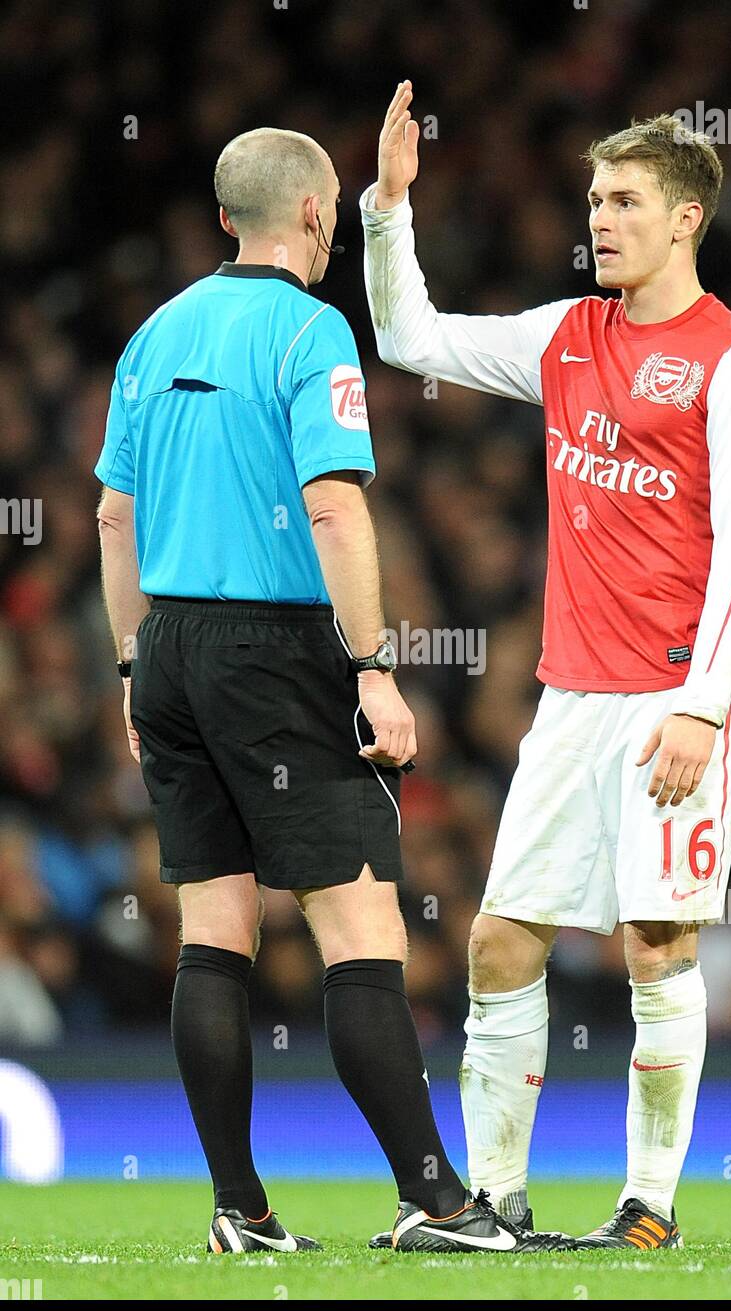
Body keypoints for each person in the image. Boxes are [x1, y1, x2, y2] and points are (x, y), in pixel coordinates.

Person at [95, 125, 571, 1253]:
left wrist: (129, 664)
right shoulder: (313, 333)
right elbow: (335, 507)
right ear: (318, 215)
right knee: (361, 927)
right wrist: (371, 664)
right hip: (281, 652)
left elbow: (114, 517)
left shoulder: (151, 335)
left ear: (226, 218)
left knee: (213, 928)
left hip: (166, 644)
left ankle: (241, 1211)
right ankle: (438, 1201)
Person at [362, 83, 731, 1250]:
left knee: (658, 943)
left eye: (627, 200)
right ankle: (491, 1201)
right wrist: (389, 211)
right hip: (573, 697)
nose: (601, 218)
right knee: (502, 938)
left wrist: (703, 705)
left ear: (687, 217)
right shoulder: (567, 335)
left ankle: (648, 1206)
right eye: (595, 198)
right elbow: (412, 338)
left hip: (677, 695)